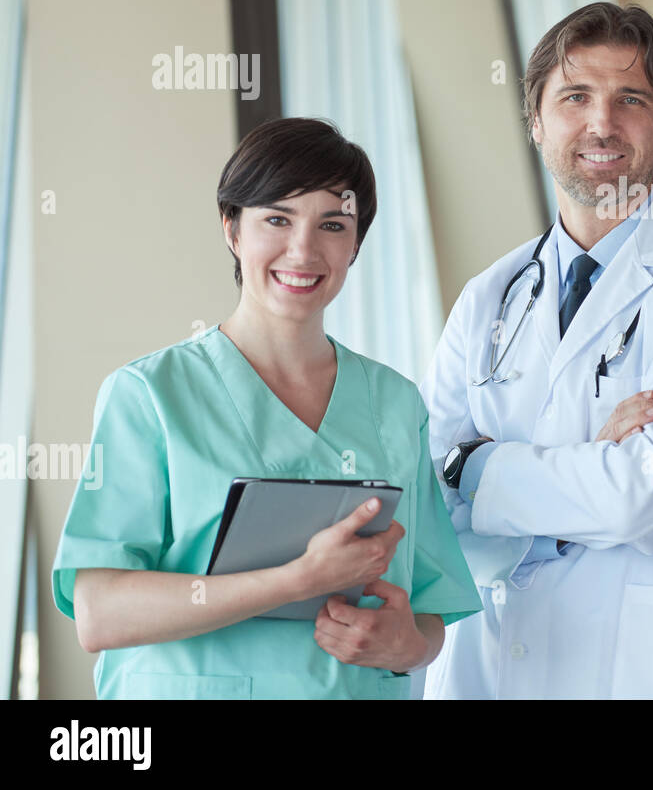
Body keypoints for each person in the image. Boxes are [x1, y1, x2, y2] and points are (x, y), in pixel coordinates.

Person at [51, 118, 481, 699]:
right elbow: (99, 613)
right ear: (232, 229)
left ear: (355, 243)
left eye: (332, 224)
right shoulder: (151, 395)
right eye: (277, 219)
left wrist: (407, 645)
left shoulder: (395, 403)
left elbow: (431, 612)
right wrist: (294, 581)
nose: (302, 250)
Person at [421, 2, 653, 700]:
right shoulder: (489, 296)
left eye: (631, 99)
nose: (601, 123)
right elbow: (429, 499)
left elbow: (636, 495)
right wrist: (590, 467)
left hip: (646, 670)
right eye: (575, 97)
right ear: (536, 120)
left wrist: (480, 462)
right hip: (496, 661)